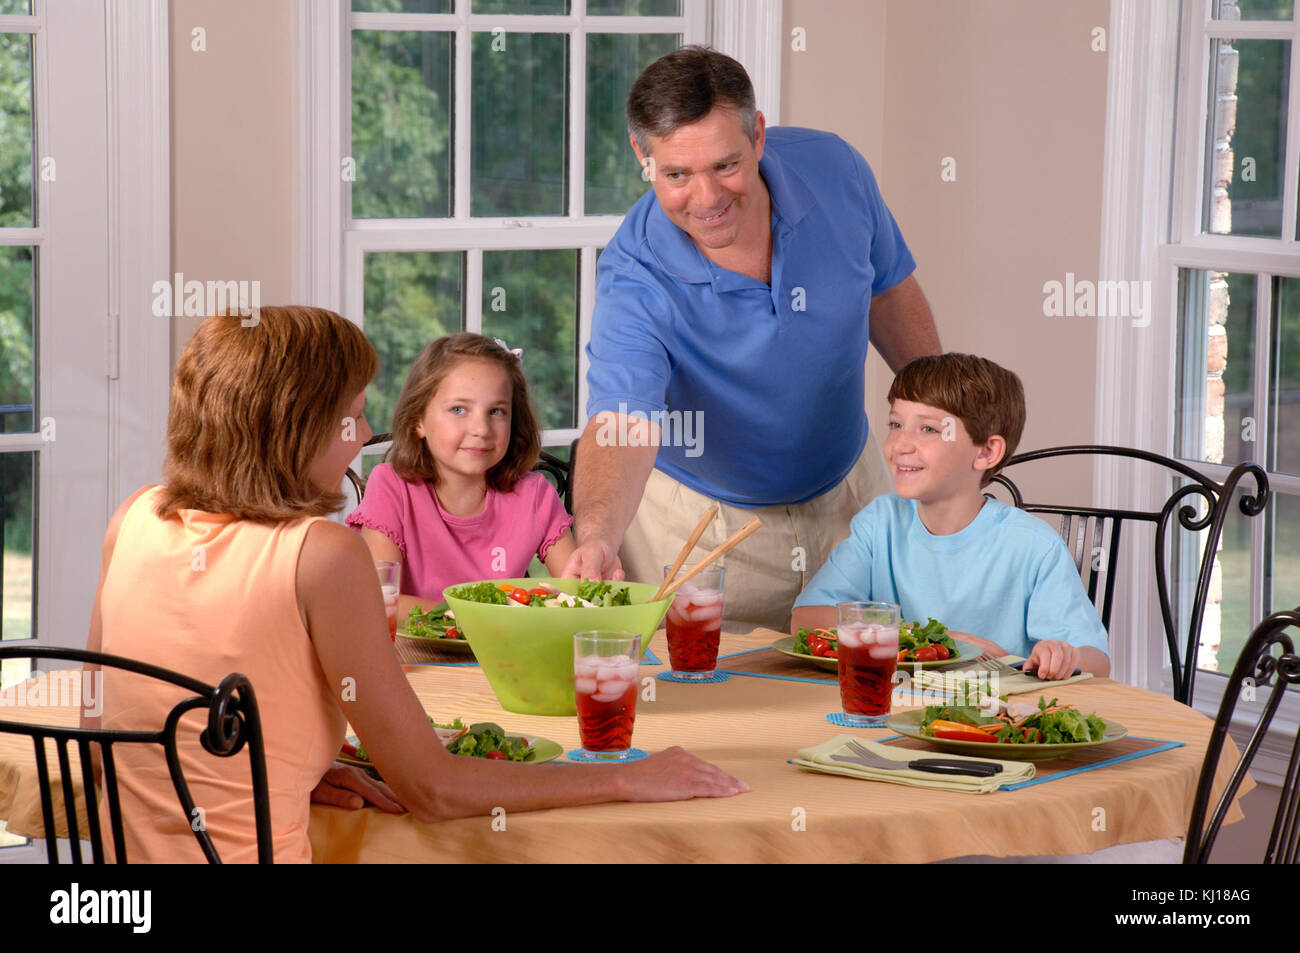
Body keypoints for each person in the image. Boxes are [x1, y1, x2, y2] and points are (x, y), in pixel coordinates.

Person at [83, 308, 746, 863]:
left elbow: (106, 732)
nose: (367, 432)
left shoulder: (132, 518)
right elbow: (435, 787)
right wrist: (629, 777)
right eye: (350, 415)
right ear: (296, 423)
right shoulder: (320, 554)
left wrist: (287, 766)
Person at [561, 46, 941, 631]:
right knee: (721, 713)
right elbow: (621, 423)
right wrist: (596, 538)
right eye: (677, 175)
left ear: (758, 135)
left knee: (874, 698)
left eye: (725, 166)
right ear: (643, 156)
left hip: (851, 499)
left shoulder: (836, 170)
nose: (707, 199)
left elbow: (887, 290)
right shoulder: (634, 274)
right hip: (704, 529)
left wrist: (946, 419)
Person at [790, 353, 1111, 680]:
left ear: (986, 452)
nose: (900, 444)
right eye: (896, 424)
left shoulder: (1033, 546)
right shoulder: (880, 523)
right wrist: (933, 639)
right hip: (889, 704)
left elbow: (1097, 663)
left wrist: (1062, 655)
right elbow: (805, 618)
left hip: (990, 718)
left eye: (928, 429)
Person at [347, 333, 574, 618]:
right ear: (418, 421)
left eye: (496, 411)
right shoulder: (391, 487)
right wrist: (483, 618)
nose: (481, 428)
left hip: (505, 653)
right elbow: (380, 600)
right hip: (413, 657)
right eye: (459, 409)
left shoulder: (535, 494)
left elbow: (575, 595)